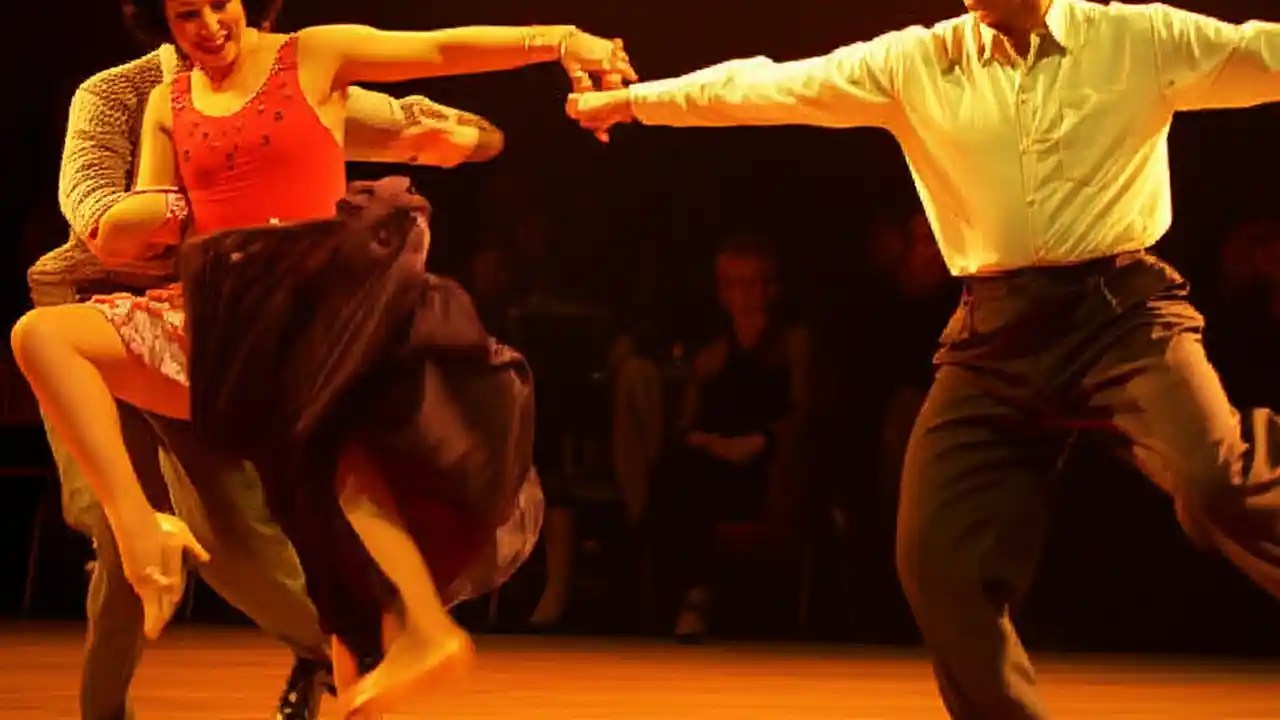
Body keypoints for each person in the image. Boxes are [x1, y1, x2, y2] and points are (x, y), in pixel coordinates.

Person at [567, 1, 1280, 717]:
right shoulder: (918, 62)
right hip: (994, 335)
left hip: (1121, 313)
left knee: (1213, 479)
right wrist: (633, 102)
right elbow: (770, 85)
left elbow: (1266, 53)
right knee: (934, 558)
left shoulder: (1135, 38)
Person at [10, 1, 634, 717]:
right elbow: (130, 211)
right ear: (162, 22)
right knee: (48, 345)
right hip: (196, 312)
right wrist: (127, 225)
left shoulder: (308, 56)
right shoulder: (143, 98)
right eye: (188, 14)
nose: (210, 25)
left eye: (221, 5)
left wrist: (548, 50)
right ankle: (139, 542)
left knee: (325, 483)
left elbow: (434, 57)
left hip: (306, 304)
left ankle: (398, 639)